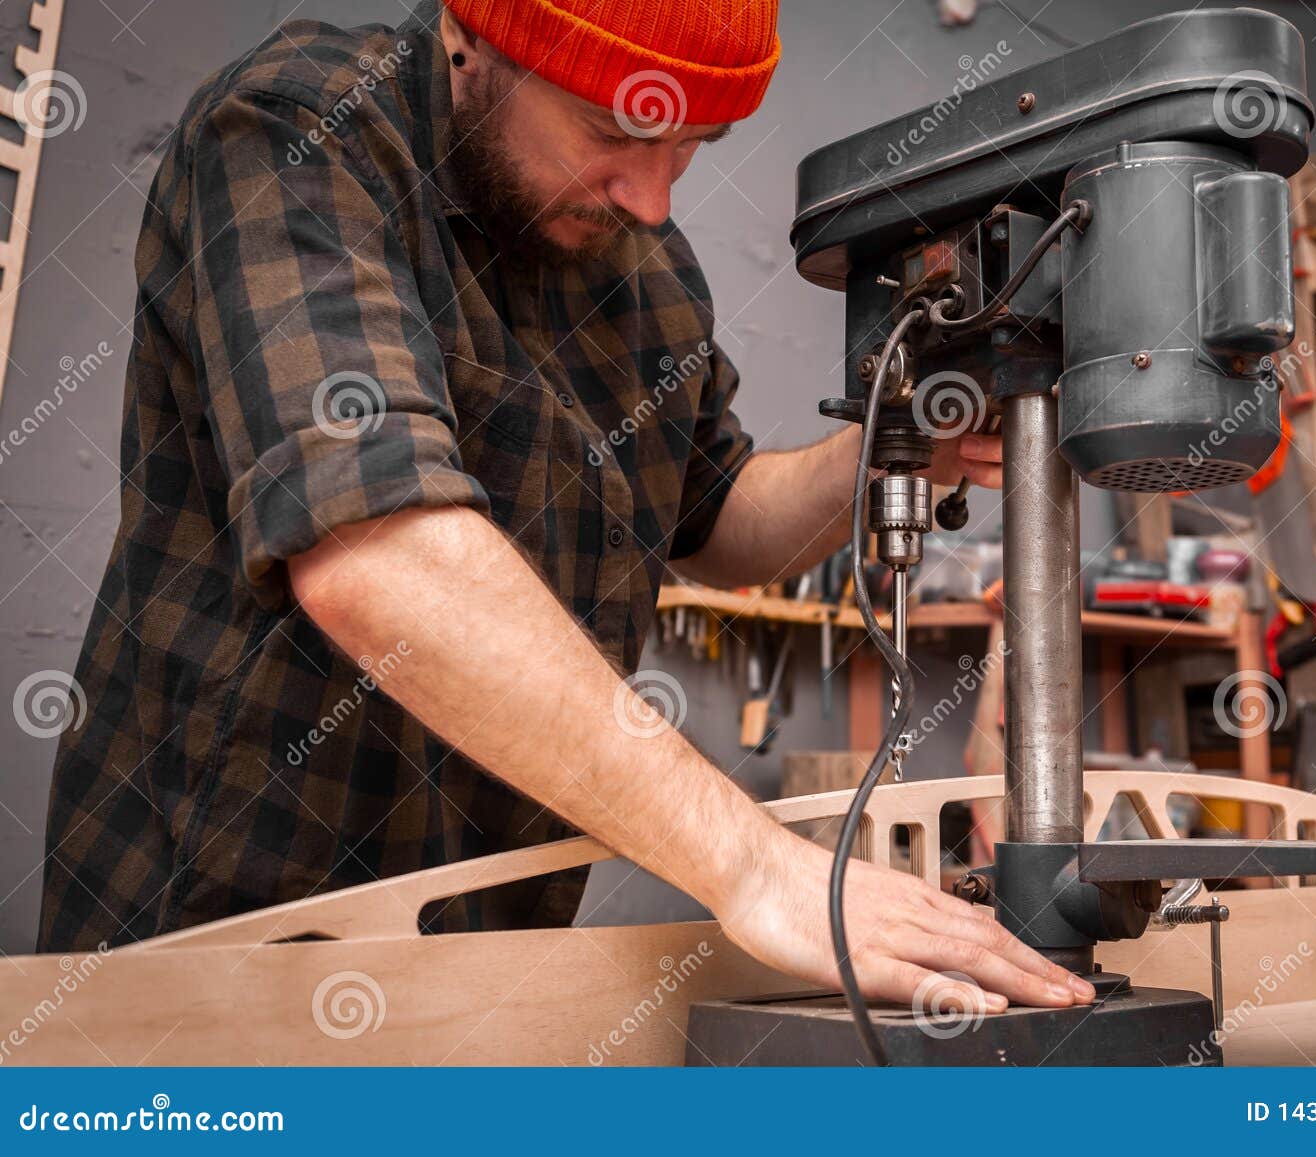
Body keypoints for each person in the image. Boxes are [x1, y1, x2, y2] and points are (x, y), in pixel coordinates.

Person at [38, 0, 1093, 1017]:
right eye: (615, 130)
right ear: (474, 38)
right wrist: (754, 864)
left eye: (694, 146)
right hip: (216, 939)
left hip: (495, 948)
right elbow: (377, 552)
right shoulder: (295, 133)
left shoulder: (646, 269)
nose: (652, 198)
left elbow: (722, 524)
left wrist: (886, 449)